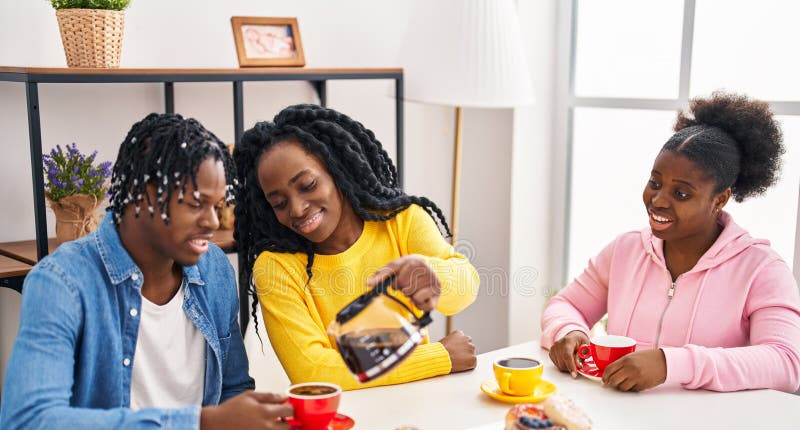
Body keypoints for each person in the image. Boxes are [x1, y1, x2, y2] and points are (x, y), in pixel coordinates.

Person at [0, 113, 292, 430]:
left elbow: (233, 388)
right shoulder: (62, 282)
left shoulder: (213, 269)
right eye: (196, 203)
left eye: (217, 206)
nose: (213, 222)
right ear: (142, 196)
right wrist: (204, 427)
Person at [542, 92, 800, 393]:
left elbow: (786, 363)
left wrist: (670, 364)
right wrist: (570, 332)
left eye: (681, 194)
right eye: (655, 183)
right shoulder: (626, 250)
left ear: (720, 199)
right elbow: (567, 304)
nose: (658, 200)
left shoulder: (761, 268)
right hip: (620, 423)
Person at [234, 104, 479, 390]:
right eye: (279, 203)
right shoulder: (276, 266)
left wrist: (432, 276)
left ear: (337, 169)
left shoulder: (401, 222)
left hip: (417, 401)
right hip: (343, 421)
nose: (297, 209)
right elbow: (313, 372)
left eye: (307, 184)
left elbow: (466, 288)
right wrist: (440, 356)